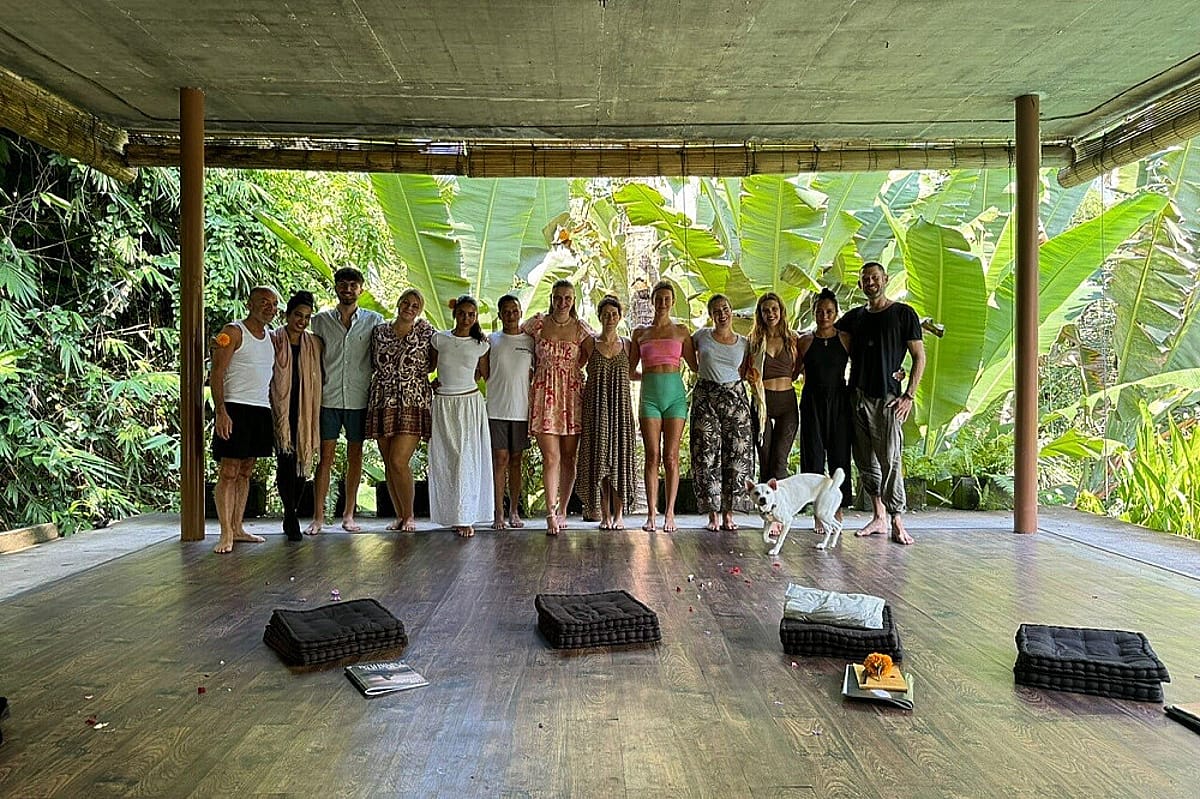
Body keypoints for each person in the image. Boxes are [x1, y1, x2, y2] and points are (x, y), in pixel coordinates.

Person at [835, 261, 926, 545]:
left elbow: (919, 357)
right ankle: (879, 516)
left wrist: (909, 394)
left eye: (875, 277)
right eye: (865, 279)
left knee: (890, 460)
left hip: (888, 399)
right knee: (865, 461)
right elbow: (837, 337)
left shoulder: (903, 314)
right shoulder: (853, 318)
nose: (870, 283)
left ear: (885, 279)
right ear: (861, 284)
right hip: (858, 396)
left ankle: (897, 520)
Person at [307, 267, 383, 534]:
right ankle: (318, 517)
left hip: (359, 399)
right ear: (336, 287)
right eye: (343, 284)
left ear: (361, 289)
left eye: (353, 285)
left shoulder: (375, 321)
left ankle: (349, 515)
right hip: (328, 397)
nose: (347, 289)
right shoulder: (320, 321)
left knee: (355, 457)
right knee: (324, 459)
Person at [209, 285, 279, 554]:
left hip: (260, 409)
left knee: (247, 470)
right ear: (250, 304)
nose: (269, 308)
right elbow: (216, 372)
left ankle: (238, 528)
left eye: (273, 304)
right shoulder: (233, 331)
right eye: (263, 302)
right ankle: (225, 532)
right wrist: (221, 411)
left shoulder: (271, 337)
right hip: (234, 408)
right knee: (229, 470)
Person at [522, 279, 591, 536]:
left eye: (568, 298)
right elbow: (513, 340)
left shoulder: (580, 327)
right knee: (551, 457)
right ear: (551, 298)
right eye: (558, 297)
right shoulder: (537, 323)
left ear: (573, 301)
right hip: (544, 393)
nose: (562, 302)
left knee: (569, 456)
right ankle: (550, 513)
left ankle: (563, 508)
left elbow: (594, 351)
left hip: (572, 395)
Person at [629, 280, 697, 533]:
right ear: (652, 301)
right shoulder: (640, 333)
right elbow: (628, 368)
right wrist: (649, 374)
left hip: (675, 398)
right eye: (659, 298)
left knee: (670, 457)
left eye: (667, 299)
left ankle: (670, 513)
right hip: (649, 397)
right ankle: (651, 514)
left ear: (672, 302)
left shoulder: (681, 331)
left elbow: (696, 366)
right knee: (652, 456)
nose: (663, 303)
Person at [366, 288, 433, 531]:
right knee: (388, 461)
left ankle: (410, 515)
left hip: (413, 400)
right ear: (398, 303)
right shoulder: (380, 331)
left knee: (398, 460)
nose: (409, 308)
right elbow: (374, 362)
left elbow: (435, 361)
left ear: (420, 310)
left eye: (415, 305)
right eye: (406, 302)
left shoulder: (425, 331)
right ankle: (400, 515)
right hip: (382, 399)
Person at [429, 295, 493, 537]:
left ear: (476, 317)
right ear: (455, 313)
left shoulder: (481, 344)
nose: (467, 318)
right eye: (463, 313)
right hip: (444, 403)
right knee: (447, 458)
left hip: (468, 403)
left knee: (466, 458)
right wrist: (435, 385)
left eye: (472, 314)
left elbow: (484, 374)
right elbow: (430, 368)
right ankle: (450, 514)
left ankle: (466, 516)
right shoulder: (439, 339)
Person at [690, 294, 752, 532]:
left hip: (735, 399)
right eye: (716, 311)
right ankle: (712, 515)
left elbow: (747, 371)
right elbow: (688, 358)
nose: (722, 314)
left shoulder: (744, 342)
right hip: (706, 397)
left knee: (735, 456)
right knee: (705, 454)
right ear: (710, 315)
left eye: (725, 309)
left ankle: (729, 513)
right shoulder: (701, 336)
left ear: (732, 310)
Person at [577, 295, 637, 530]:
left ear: (620, 317)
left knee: (620, 460)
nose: (610, 318)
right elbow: (574, 368)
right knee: (600, 459)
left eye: (614, 314)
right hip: (596, 408)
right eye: (605, 314)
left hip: (621, 409)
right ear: (599, 316)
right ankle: (603, 514)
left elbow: (631, 373)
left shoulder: (629, 344)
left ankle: (619, 515)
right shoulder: (589, 344)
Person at [797, 289, 854, 527]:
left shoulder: (845, 338)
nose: (824, 316)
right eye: (819, 311)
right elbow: (793, 370)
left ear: (836, 313)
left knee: (840, 455)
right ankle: (818, 513)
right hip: (812, 401)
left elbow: (863, 365)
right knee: (814, 456)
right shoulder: (805, 341)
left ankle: (836, 508)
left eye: (829, 311)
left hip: (840, 401)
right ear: (814, 313)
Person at [269, 291, 323, 541]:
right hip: (280, 410)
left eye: (307, 317)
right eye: (298, 315)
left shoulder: (314, 344)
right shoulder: (274, 340)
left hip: (306, 411)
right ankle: (290, 514)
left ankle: (291, 511)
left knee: (302, 466)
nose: (302, 321)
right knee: (286, 464)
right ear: (287, 315)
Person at [485, 294, 535, 530]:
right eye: (506, 311)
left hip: (521, 410)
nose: (511, 315)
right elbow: (483, 373)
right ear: (499, 314)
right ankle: (498, 513)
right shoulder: (491, 340)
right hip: (496, 408)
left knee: (516, 460)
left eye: (515, 310)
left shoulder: (530, 341)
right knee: (500, 460)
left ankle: (514, 511)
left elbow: (534, 374)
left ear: (521, 312)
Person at [747, 292, 802, 483]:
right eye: (765, 310)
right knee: (765, 456)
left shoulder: (793, 339)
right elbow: (745, 369)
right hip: (762, 402)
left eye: (774, 309)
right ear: (760, 314)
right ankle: (765, 508)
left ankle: (781, 507)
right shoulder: (753, 340)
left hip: (787, 402)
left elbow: (800, 368)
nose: (770, 314)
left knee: (780, 459)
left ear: (781, 311)